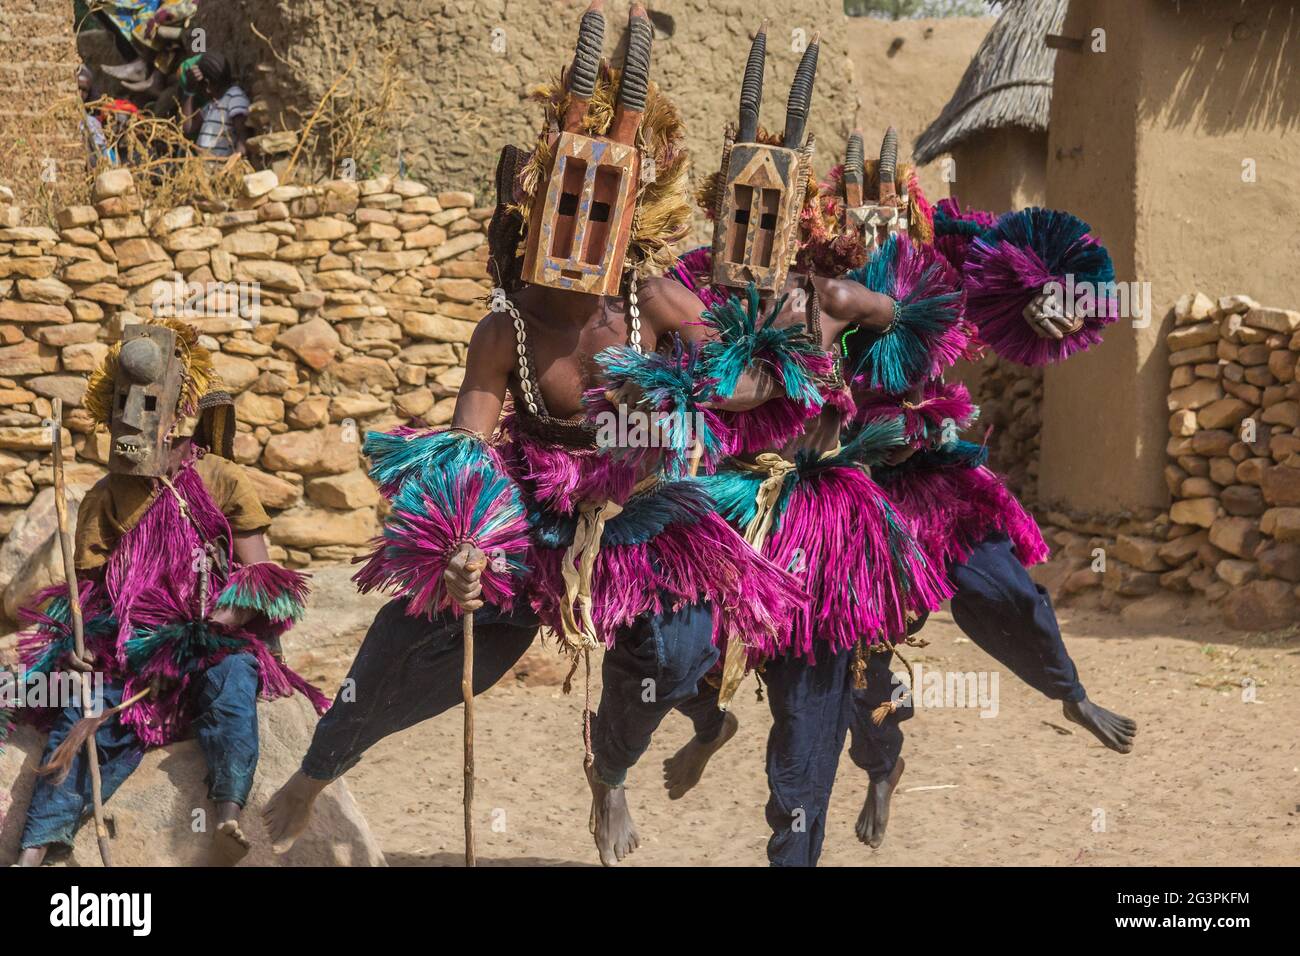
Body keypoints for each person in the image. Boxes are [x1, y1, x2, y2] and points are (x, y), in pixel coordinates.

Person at [262, 2, 804, 868]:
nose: (585, 226)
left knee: (676, 648)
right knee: (417, 629)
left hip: (645, 506)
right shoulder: (503, 329)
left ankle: (612, 769)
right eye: (571, 201)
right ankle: (322, 764)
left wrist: (749, 365)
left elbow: (737, 381)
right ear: (540, 203)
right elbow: (468, 450)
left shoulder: (649, 293)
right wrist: (464, 544)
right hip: (535, 509)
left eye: (605, 206)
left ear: (629, 212)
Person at [647, 25, 955, 867]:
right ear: (718, 207)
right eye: (737, 206)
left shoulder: (829, 299)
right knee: (668, 655)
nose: (750, 222)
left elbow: (913, 323)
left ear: (793, 221)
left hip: (822, 523)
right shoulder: (690, 296)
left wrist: (879, 320)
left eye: (768, 209)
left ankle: (805, 835)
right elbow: (692, 389)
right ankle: (703, 720)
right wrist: (789, 379)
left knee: (816, 707)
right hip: (723, 511)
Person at [817, 129, 1140, 848]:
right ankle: (880, 767)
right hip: (855, 486)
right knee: (864, 642)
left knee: (1008, 590)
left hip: (936, 476)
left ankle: (1070, 693)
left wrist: (1056, 296)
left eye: (886, 203)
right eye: (857, 206)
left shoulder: (938, 245)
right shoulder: (817, 274)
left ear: (903, 202)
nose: (873, 220)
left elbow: (1019, 252)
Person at [11, 319, 326, 866]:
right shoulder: (106, 496)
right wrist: (80, 647)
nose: (130, 420)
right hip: (129, 652)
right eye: (120, 405)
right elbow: (88, 594)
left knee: (232, 687)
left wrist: (207, 632)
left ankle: (227, 812)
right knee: (82, 722)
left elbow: (262, 578)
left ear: (182, 411)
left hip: (213, 641)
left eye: (149, 405)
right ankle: (36, 848)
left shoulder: (223, 479)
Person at [183, 53, 250, 161]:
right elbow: (187, 128)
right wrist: (188, 92)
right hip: (203, 170)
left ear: (207, 85)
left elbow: (242, 137)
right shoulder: (212, 105)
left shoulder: (234, 97)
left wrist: (232, 168)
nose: (199, 91)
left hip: (220, 170)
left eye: (200, 86)